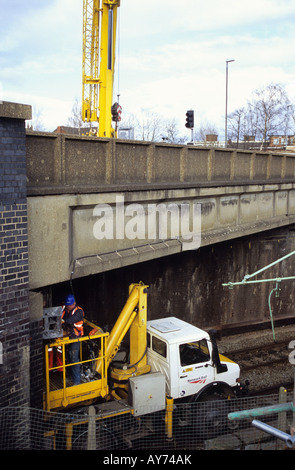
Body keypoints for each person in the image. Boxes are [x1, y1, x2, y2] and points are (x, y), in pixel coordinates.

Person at [61, 294, 84, 385]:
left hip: (75, 338)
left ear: (74, 303)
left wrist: (63, 321)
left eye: (69, 305)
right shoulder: (65, 309)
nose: (68, 307)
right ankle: (70, 377)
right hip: (67, 337)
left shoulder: (79, 312)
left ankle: (76, 381)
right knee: (67, 358)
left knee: (74, 359)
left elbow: (72, 319)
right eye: (67, 305)